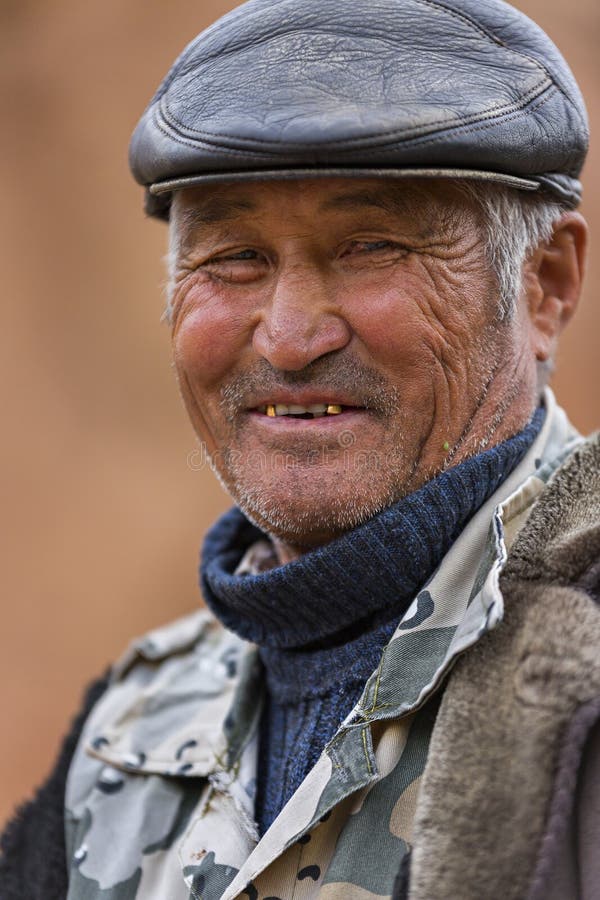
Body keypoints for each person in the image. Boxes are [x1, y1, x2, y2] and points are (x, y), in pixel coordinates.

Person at [2, 0, 599, 897]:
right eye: (234, 256)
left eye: (370, 246)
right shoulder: (126, 731)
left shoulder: (579, 680)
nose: (288, 338)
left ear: (545, 284)